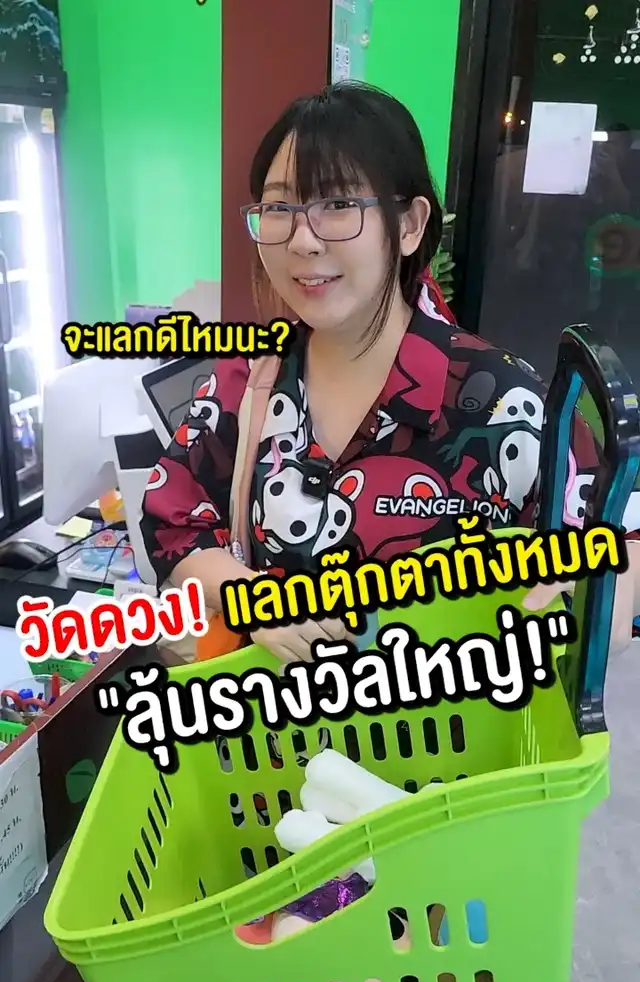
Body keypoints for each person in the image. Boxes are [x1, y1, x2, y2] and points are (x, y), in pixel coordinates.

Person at [140, 82, 640, 663]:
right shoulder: (246, 380)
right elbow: (173, 523)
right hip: (276, 717)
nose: (303, 240)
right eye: (279, 208)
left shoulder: (506, 403)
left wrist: (586, 601)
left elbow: (620, 553)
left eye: (338, 205)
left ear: (409, 225)